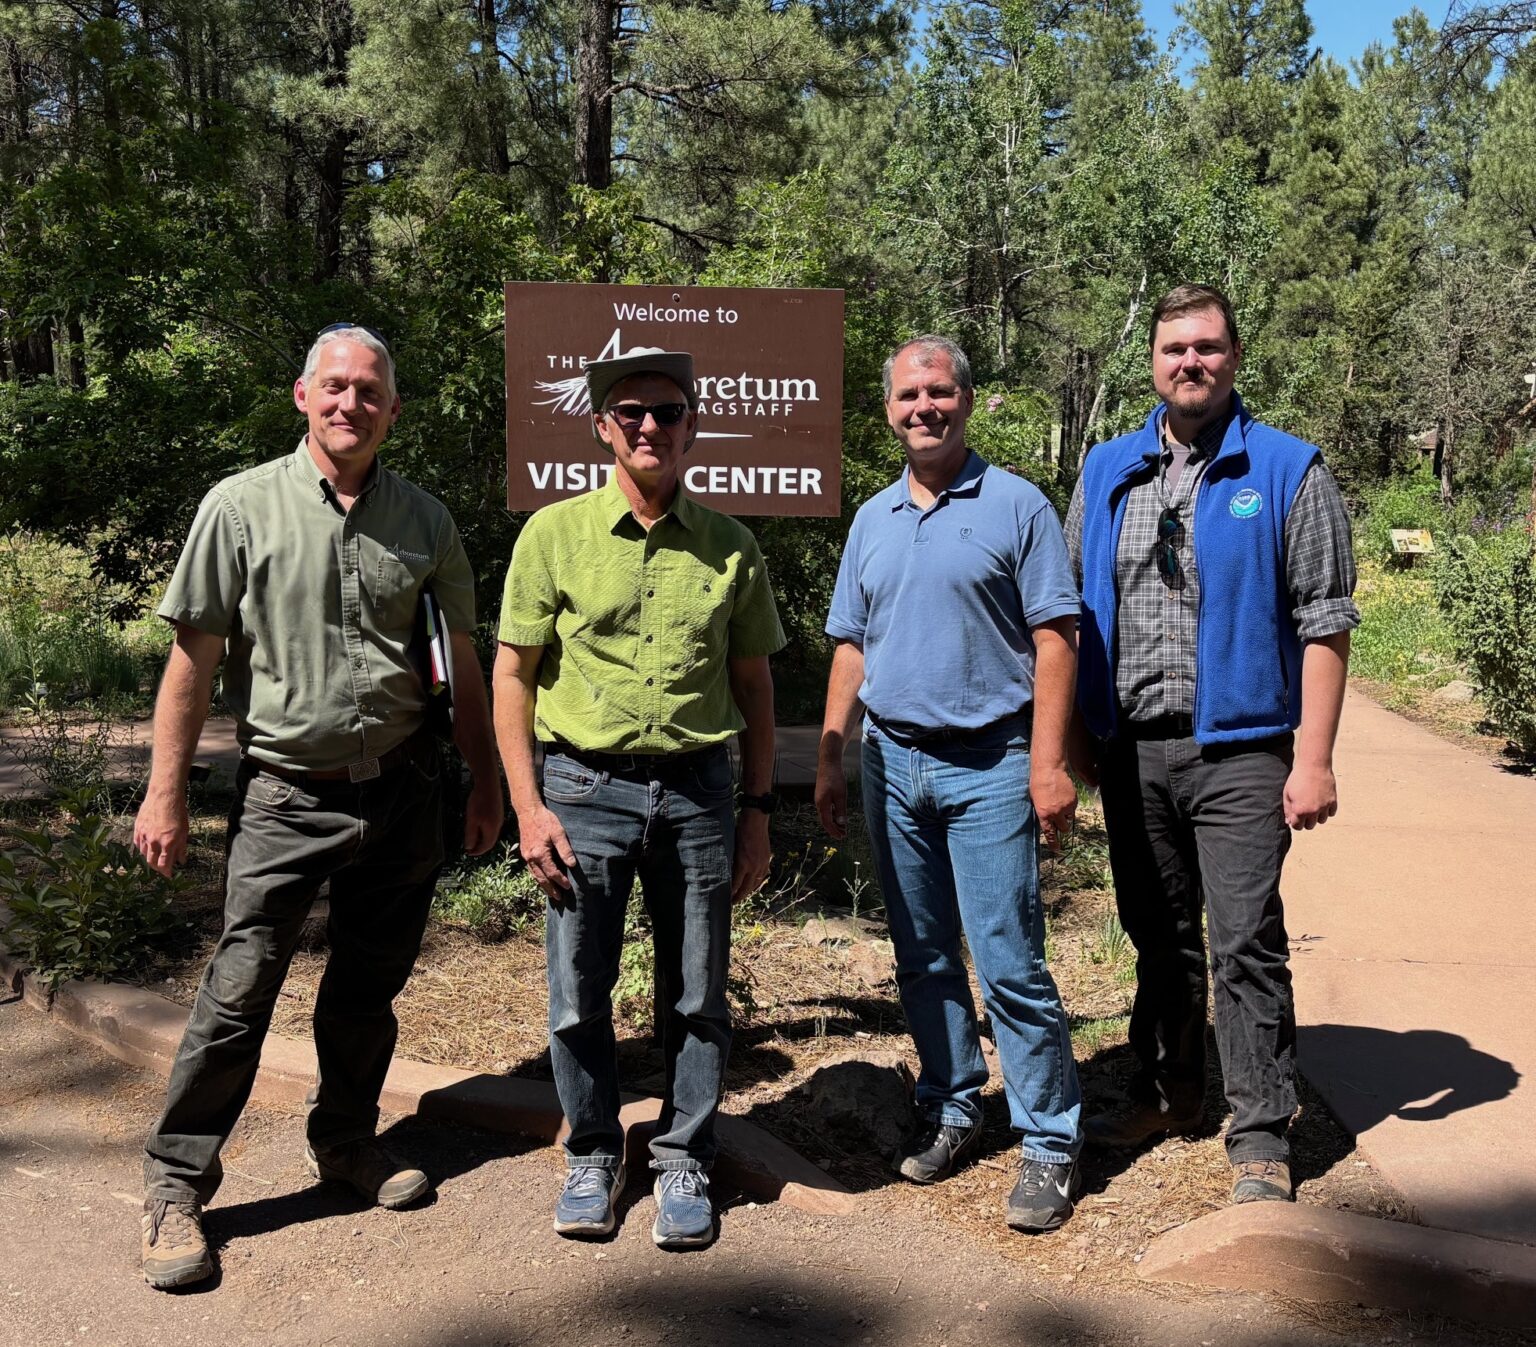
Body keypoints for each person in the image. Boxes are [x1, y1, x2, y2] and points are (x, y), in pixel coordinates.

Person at [133, 325, 504, 1289]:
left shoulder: (424, 520)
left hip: (405, 789)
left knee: (366, 989)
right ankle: (177, 1185)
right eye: (335, 387)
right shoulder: (241, 507)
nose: (351, 403)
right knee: (239, 990)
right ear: (303, 395)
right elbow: (192, 663)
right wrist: (164, 789)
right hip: (286, 795)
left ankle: (345, 1142)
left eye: (370, 391)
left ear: (392, 409)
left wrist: (487, 778)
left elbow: (459, 666)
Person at [1065, 284, 1358, 1204]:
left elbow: (1326, 620)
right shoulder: (1108, 470)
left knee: (1243, 942)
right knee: (1157, 935)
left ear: (1234, 357)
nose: (1189, 362)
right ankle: (1170, 1091)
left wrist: (1313, 757)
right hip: (1132, 749)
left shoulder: (1287, 470)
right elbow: (1070, 612)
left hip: (1242, 750)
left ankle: (1262, 1131)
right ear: (1151, 362)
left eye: (1206, 347)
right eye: (1172, 348)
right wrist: (1076, 741)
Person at [492, 346, 783, 1250]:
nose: (648, 425)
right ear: (601, 428)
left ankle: (683, 1158)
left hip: (699, 792)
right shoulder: (553, 535)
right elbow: (512, 676)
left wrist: (758, 809)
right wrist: (528, 807)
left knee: (697, 995)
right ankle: (590, 1152)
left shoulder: (731, 548)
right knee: (578, 989)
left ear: (693, 426)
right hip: (583, 788)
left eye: (666, 411)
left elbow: (756, 688)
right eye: (630, 413)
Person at [815, 335, 1084, 1234]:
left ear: (967, 401)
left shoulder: (1017, 506)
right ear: (887, 409)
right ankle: (954, 1101)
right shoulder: (874, 517)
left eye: (939, 392)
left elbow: (1056, 637)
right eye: (907, 395)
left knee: (1009, 957)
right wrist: (831, 755)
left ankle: (1049, 1136)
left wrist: (1048, 764)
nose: (923, 406)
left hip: (992, 762)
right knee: (923, 955)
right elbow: (851, 643)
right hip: (893, 762)